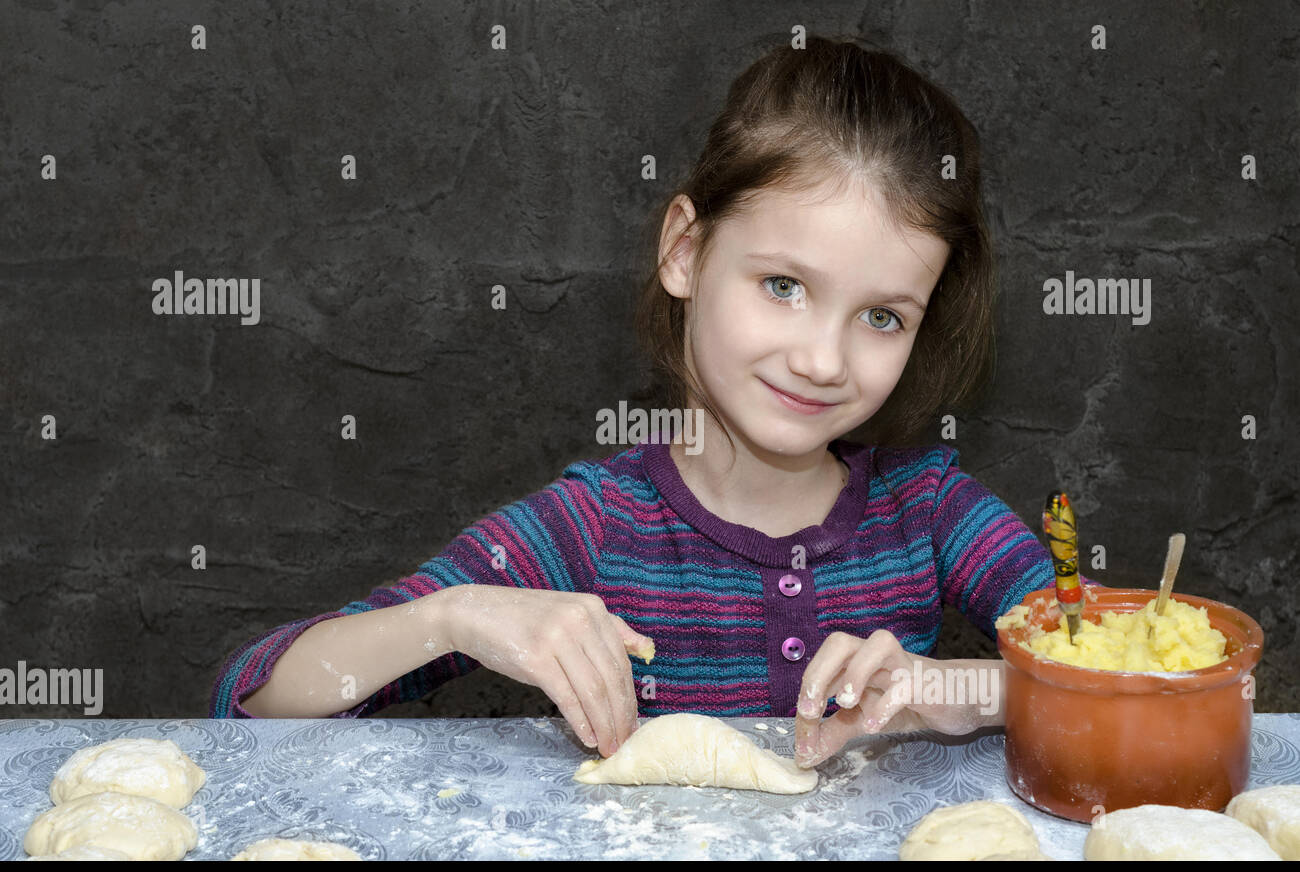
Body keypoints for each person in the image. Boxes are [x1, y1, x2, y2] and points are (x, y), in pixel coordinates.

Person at [211, 35, 1093, 771]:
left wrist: (957, 690)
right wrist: (457, 614)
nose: (823, 358)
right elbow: (250, 703)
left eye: (880, 316)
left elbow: (1123, 681)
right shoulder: (595, 526)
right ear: (684, 251)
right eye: (783, 284)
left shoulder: (933, 511)